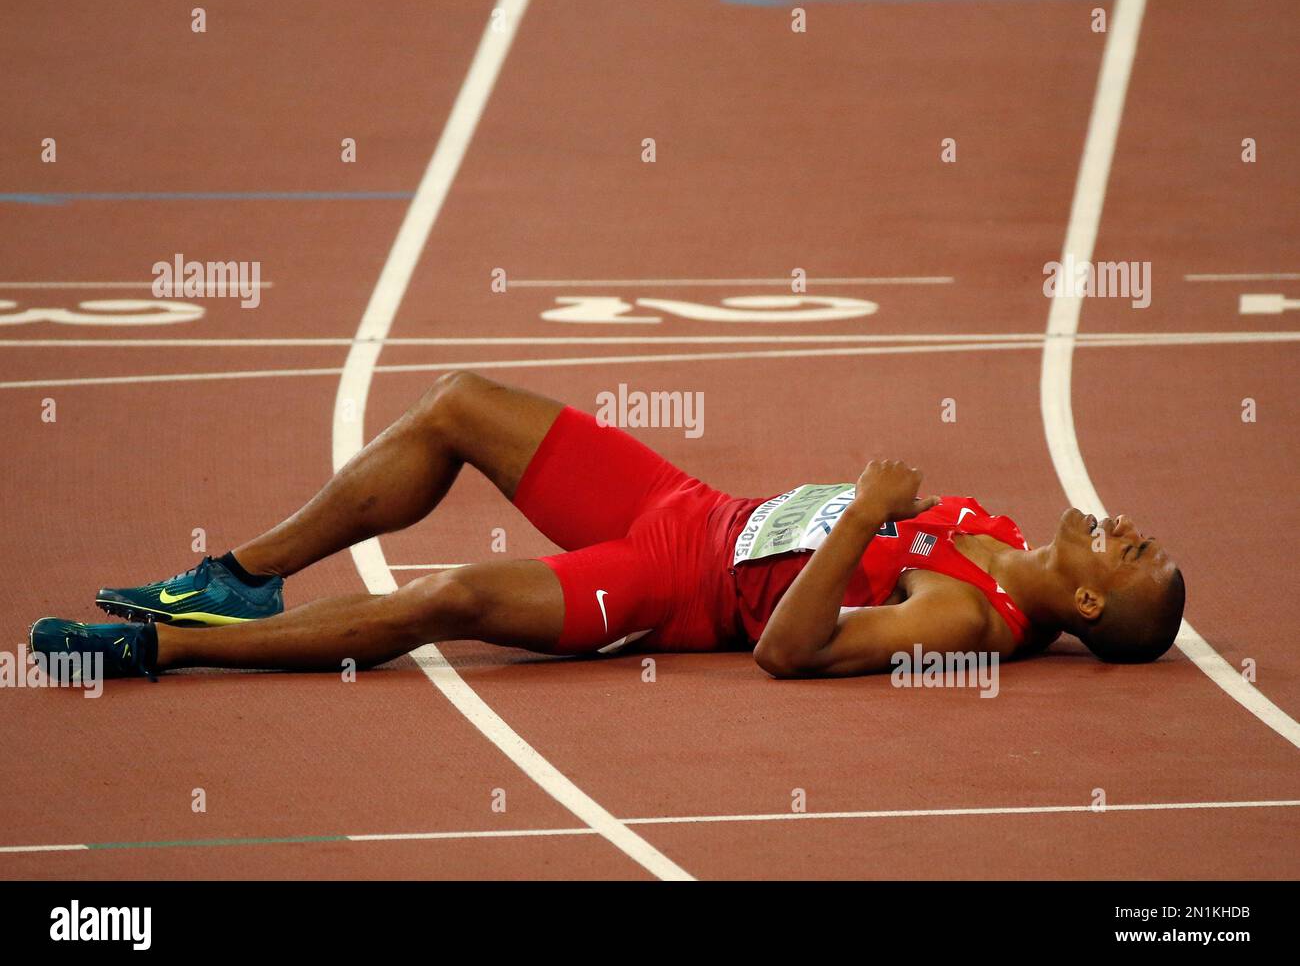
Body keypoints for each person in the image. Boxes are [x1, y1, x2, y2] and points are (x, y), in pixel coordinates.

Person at [29, 371, 1185, 680]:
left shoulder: (965, 620)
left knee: (453, 600)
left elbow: (792, 651)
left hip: (664, 585)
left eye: (1125, 551)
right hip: (683, 503)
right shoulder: (1004, 529)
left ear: (1084, 604)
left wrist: (865, 521)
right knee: (458, 403)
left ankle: (170, 647)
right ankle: (239, 574)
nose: (1122, 523)